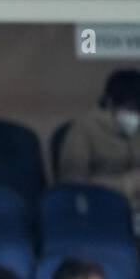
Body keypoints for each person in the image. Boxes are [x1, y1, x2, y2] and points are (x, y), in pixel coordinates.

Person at [59, 69, 140, 209]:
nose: (135, 115)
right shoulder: (83, 129)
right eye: (130, 108)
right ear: (110, 103)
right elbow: (73, 185)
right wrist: (127, 184)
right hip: (98, 209)